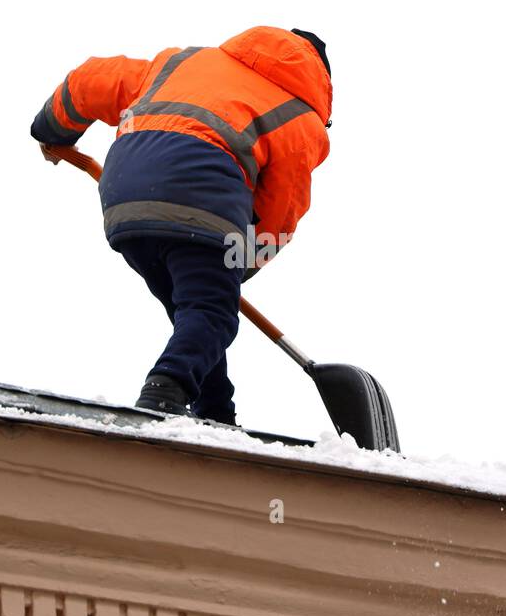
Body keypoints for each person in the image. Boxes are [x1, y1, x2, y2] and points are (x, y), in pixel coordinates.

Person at [31, 26, 332, 425]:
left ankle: (215, 413)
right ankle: (166, 388)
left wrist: (52, 130)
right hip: (202, 195)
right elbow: (282, 211)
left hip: (125, 198)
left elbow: (89, 81)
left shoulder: (186, 61)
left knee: (196, 311)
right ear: (321, 81)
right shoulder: (300, 117)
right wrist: (240, 264)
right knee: (212, 310)